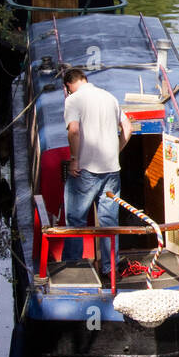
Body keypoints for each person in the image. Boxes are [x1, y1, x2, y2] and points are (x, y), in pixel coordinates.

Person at [62, 67, 132, 279]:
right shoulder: (109, 97)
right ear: (85, 79)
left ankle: (73, 268)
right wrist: (115, 151)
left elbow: (73, 130)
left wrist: (75, 160)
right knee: (110, 222)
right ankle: (110, 269)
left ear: (68, 86)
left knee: (75, 220)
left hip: (87, 170)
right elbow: (127, 128)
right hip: (112, 170)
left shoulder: (73, 100)